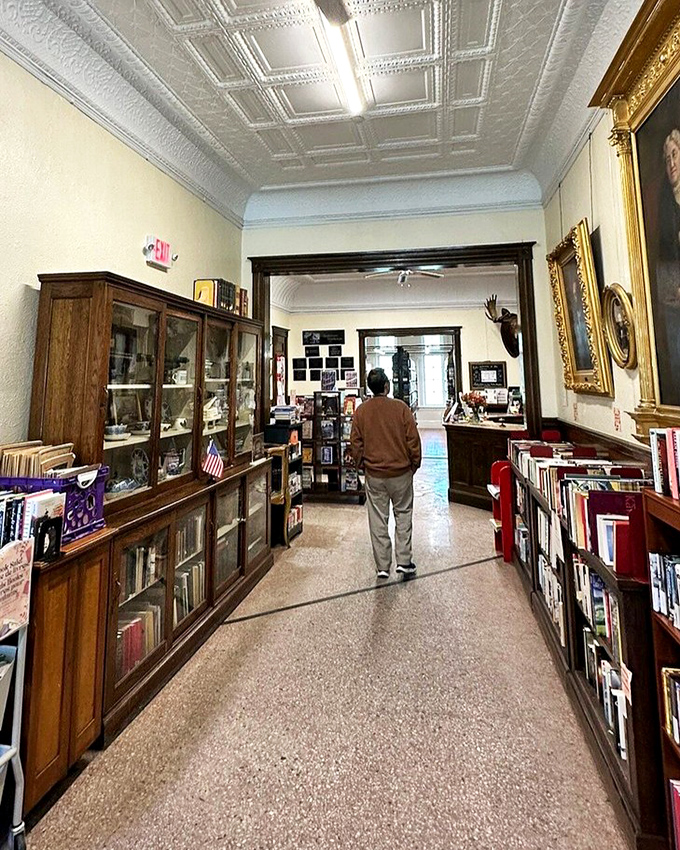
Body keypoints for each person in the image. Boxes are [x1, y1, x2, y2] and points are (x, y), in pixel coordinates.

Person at [350, 367, 422, 580]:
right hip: (401, 473)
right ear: (387, 386)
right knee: (403, 514)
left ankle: (382, 566)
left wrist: (361, 464)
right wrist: (413, 464)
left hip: (375, 474)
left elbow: (355, 443)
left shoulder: (361, 411)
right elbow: (413, 439)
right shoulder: (401, 408)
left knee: (378, 519)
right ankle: (404, 561)